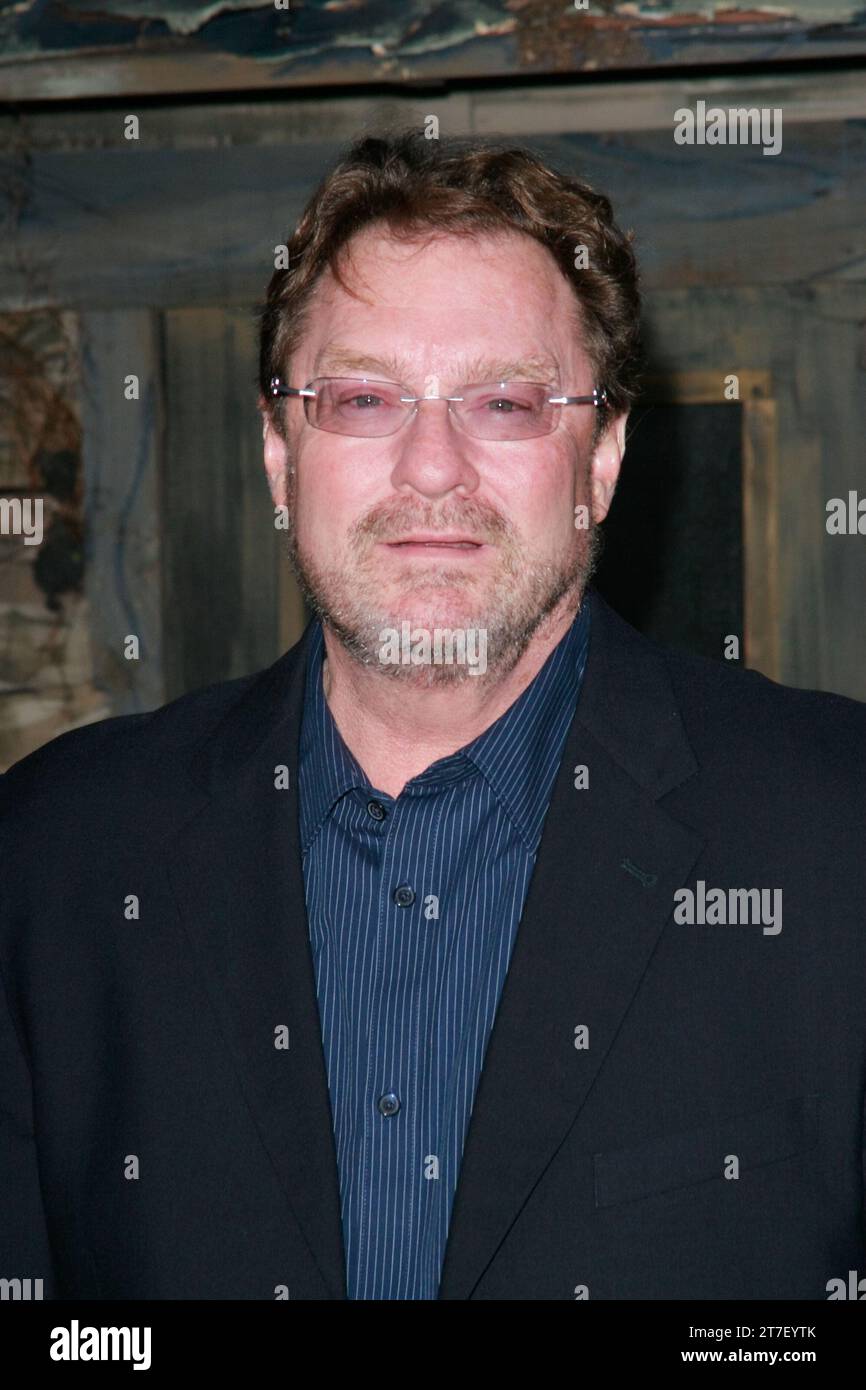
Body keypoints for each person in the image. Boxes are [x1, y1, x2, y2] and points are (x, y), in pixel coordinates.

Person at [1, 129, 863, 1301]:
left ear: (600, 458)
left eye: (504, 402)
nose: (431, 468)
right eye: (362, 398)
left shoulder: (835, 835)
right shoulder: (55, 853)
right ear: (276, 451)